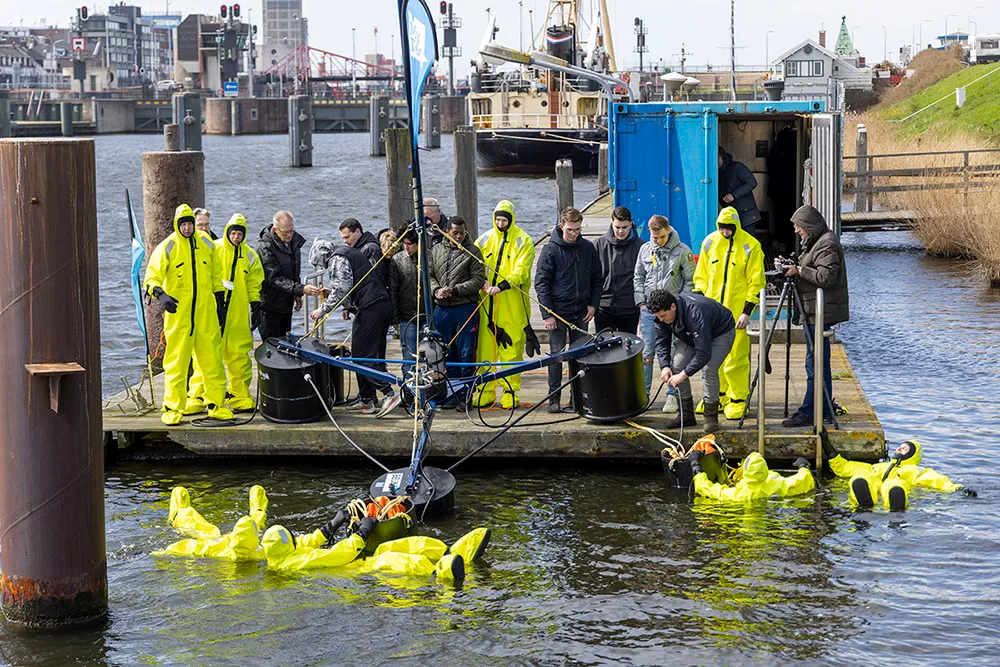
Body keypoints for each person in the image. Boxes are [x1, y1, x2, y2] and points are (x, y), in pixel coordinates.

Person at [143, 204, 233, 425]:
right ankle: (173, 406)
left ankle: (216, 404)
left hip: (205, 315)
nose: (186, 228)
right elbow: (151, 277)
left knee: (212, 360)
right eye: (183, 224)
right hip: (179, 315)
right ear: (177, 225)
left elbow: (216, 275)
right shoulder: (168, 247)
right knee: (176, 363)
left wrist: (220, 303)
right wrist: (160, 294)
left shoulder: (206, 243)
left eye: (189, 224)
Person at [776, 205, 850, 427]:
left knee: (815, 364)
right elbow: (812, 270)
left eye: (798, 227)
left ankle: (810, 412)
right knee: (819, 363)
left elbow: (826, 278)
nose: (796, 231)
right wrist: (791, 267)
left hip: (821, 312)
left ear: (808, 226)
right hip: (814, 311)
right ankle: (824, 409)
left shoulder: (826, 243)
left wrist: (798, 271)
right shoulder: (818, 242)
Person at [693, 206, 766, 420]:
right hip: (712, 313)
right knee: (713, 357)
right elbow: (701, 276)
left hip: (736, 316)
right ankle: (719, 395)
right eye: (722, 229)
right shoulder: (709, 243)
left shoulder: (751, 246)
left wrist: (746, 311)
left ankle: (738, 399)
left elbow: (757, 282)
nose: (725, 233)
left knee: (736, 357)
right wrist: (699, 302)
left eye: (729, 229)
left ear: (736, 226)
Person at [310, 241, 397, 416]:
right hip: (379, 303)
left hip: (370, 307)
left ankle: (389, 393)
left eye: (321, 263)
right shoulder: (349, 252)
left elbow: (342, 287)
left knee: (361, 356)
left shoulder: (337, 258)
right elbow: (352, 284)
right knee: (369, 354)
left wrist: (322, 310)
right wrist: (333, 294)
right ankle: (366, 399)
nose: (324, 267)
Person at [188, 214, 264, 412]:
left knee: (239, 355)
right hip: (214, 310)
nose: (236, 237)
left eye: (239, 234)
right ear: (227, 232)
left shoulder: (250, 255)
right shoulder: (216, 248)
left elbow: (254, 283)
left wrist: (256, 305)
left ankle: (239, 394)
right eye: (233, 233)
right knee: (205, 354)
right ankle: (197, 395)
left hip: (238, 313)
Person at [535, 206, 602, 413]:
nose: (574, 234)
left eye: (578, 229)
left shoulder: (588, 248)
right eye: (570, 230)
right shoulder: (550, 250)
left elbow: (596, 279)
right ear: (561, 226)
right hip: (557, 313)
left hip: (580, 311)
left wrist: (593, 303)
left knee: (579, 356)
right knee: (556, 355)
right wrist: (547, 314)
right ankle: (553, 397)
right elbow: (541, 283)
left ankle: (577, 398)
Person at [474, 200, 536, 410]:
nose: (501, 224)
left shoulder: (523, 240)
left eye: (504, 220)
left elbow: (522, 270)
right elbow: (472, 261)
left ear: (511, 219)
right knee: (485, 351)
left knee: (511, 351)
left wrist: (502, 285)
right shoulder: (483, 240)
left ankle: (509, 392)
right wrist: (479, 280)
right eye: (498, 219)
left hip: (512, 305)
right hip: (486, 305)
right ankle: (485, 391)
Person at [648, 289, 736, 433]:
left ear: (673, 306)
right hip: (689, 334)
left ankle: (711, 416)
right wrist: (664, 366)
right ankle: (686, 415)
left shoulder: (695, 312)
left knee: (709, 370)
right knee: (676, 365)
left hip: (720, 332)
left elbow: (704, 353)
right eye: (658, 317)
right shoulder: (660, 317)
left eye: (663, 315)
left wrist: (683, 375)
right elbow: (661, 341)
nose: (661, 319)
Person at [633, 215, 696, 397]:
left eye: (662, 237)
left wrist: (679, 306)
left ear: (668, 231)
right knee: (646, 353)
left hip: (672, 313)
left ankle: (672, 395)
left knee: (674, 353)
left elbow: (690, 281)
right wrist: (642, 303)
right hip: (648, 311)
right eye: (655, 238)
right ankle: (642, 395)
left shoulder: (683, 251)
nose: (659, 241)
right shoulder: (644, 250)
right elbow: (638, 277)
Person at [823, 439, 975, 511]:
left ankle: (895, 502)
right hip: (874, 482)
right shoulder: (877, 466)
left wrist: (959, 489)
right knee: (861, 476)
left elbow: (938, 481)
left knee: (894, 485)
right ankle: (865, 500)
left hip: (898, 484)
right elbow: (845, 468)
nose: (899, 450)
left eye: (905, 449)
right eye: (900, 447)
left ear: (913, 454)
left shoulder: (916, 470)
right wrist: (829, 450)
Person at [429, 216, 485, 405]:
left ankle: (466, 395)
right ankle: (451, 393)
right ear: (447, 231)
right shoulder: (436, 250)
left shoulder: (473, 251)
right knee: (445, 352)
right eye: (455, 233)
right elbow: (428, 275)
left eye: (462, 232)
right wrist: (436, 290)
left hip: (465, 308)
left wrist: (454, 290)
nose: (459, 236)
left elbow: (478, 279)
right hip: (442, 309)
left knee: (467, 352)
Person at [256, 210, 322, 342]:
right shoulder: (265, 247)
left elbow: (294, 269)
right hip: (269, 305)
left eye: (291, 230)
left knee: (285, 342)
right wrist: (301, 288)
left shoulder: (293, 241)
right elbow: (274, 278)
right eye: (285, 232)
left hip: (286, 302)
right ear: (275, 229)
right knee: (272, 346)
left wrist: (297, 295)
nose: (290, 235)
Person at [687, 449, 815, 502]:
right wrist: (803, 466)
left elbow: (707, 489)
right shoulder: (779, 484)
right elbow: (803, 480)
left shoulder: (738, 494)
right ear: (764, 468)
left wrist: (695, 465)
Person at [594, 206, 642, 335]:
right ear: (612, 223)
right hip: (603, 307)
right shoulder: (598, 245)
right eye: (617, 227)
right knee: (603, 349)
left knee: (628, 349)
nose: (621, 231)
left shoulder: (641, 247)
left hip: (630, 308)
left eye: (625, 227)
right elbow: (592, 277)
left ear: (631, 224)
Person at [388, 228, 427, 367]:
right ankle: (409, 388)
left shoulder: (428, 258)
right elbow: (393, 290)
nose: (406, 247)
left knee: (428, 356)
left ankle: (427, 387)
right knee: (408, 358)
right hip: (407, 317)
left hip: (426, 315)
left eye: (410, 244)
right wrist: (395, 317)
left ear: (418, 244)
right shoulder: (397, 260)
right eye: (404, 243)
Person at [718, 146, 761, 236]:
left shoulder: (737, 167)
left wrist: (733, 195)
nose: (715, 163)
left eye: (716, 159)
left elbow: (752, 182)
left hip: (746, 214)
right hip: (732, 214)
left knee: (748, 244)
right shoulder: (717, 172)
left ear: (721, 156)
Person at [339, 218, 386, 287]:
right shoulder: (357, 248)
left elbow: (373, 277)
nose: (345, 241)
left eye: (347, 237)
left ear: (357, 232)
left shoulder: (371, 248)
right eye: (343, 238)